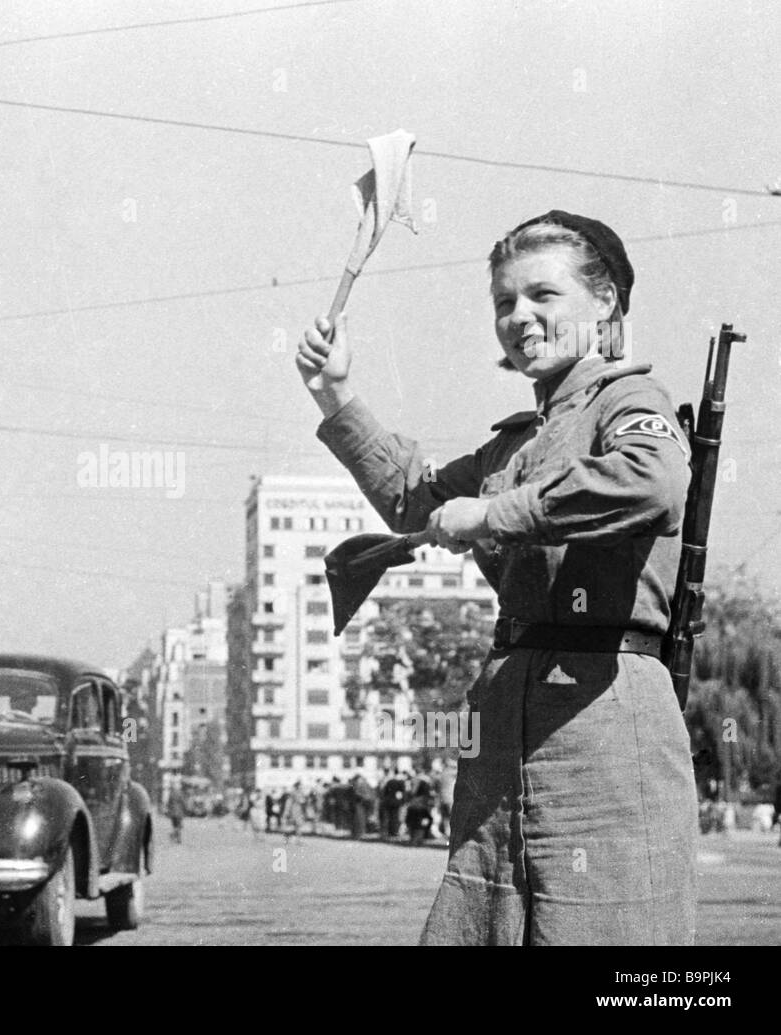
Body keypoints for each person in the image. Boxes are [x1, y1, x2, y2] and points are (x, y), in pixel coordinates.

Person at [298, 211, 698, 945]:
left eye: (544, 296)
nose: (520, 318)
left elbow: (653, 481)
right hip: (505, 718)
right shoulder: (518, 438)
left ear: (605, 303)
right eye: (504, 303)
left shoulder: (629, 401)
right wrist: (335, 393)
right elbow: (417, 500)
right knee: (483, 921)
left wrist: (493, 515)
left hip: (604, 716)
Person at [165, 779, 186, 844]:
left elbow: (168, 803)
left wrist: (168, 811)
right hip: (179, 812)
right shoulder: (180, 793)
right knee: (179, 826)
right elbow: (183, 802)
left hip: (173, 813)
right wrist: (185, 809)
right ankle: (176, 838)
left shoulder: (171, 794)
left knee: (175, 826)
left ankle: (177, 838)